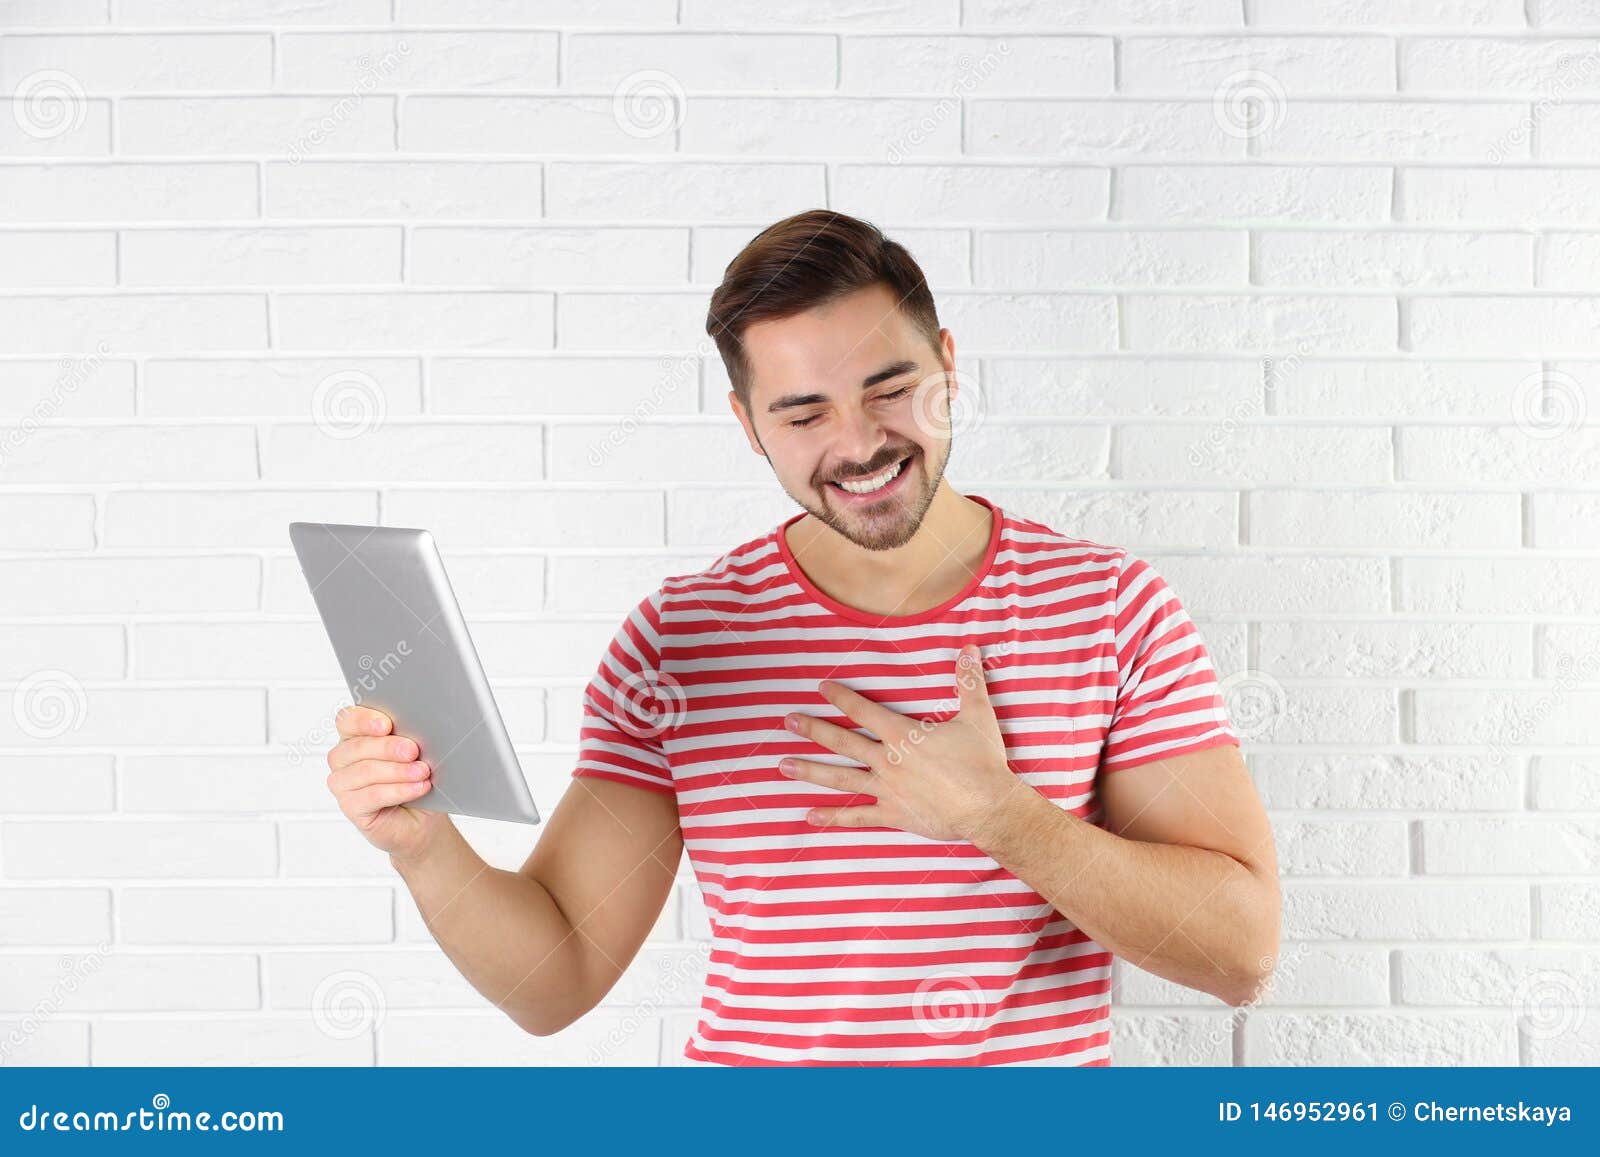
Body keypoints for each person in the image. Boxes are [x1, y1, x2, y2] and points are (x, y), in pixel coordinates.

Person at [324, 209, 1281, 1066]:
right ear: (748, 425)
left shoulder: (1109, 607)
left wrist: (1001, 816)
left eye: (891, 387)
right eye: (804, 412)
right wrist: (424, 846)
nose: (859, 442)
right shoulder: (676, 641)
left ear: (948, 364)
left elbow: (1241, 954)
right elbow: (556, 975)